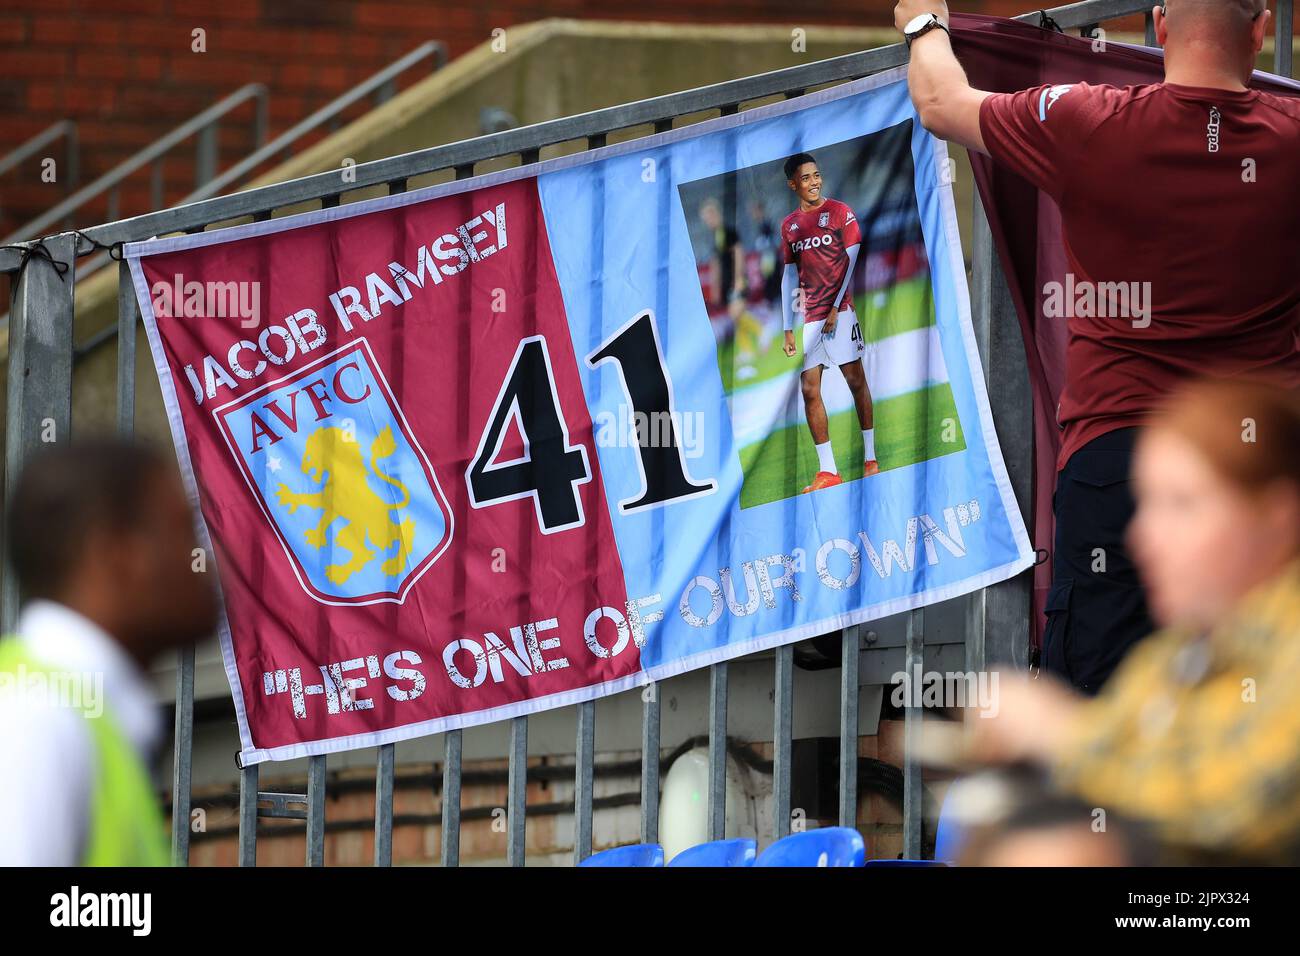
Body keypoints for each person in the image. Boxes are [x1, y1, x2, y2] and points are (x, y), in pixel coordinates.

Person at [895, 0, 1300, 692]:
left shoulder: (1091, 120)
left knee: (1097, 714)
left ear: (1160, 25)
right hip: (1254, 467)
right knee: (1263, 707)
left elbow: (939, 100)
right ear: (1261, 34)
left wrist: (924, 23)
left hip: (1119, 459)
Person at [965, 379, 1300, 864]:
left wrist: (1060, 733)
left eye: (1181, 503)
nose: (1143, 536)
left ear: (1276, 517)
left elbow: (1238, 805)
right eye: (1145, 504)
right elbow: (1123, 781)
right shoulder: (1170, 658)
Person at [0, 440, 218, 865]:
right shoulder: (35, 715)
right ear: (115, 557)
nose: (208, 560)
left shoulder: (82, 710)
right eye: (184, 531)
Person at [779, 152, 879, 494]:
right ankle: (828, 471)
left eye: (816, 175)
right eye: (806, 178)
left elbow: (852, 258)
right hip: (810, 319)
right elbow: (788, 275)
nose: (814, 182)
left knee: (855, 381)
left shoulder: (840, 212)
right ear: (794, 185)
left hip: (841, 313)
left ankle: (870, 460)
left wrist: (837, 306)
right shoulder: (790, 226)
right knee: (809, 390)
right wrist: (787, 326)